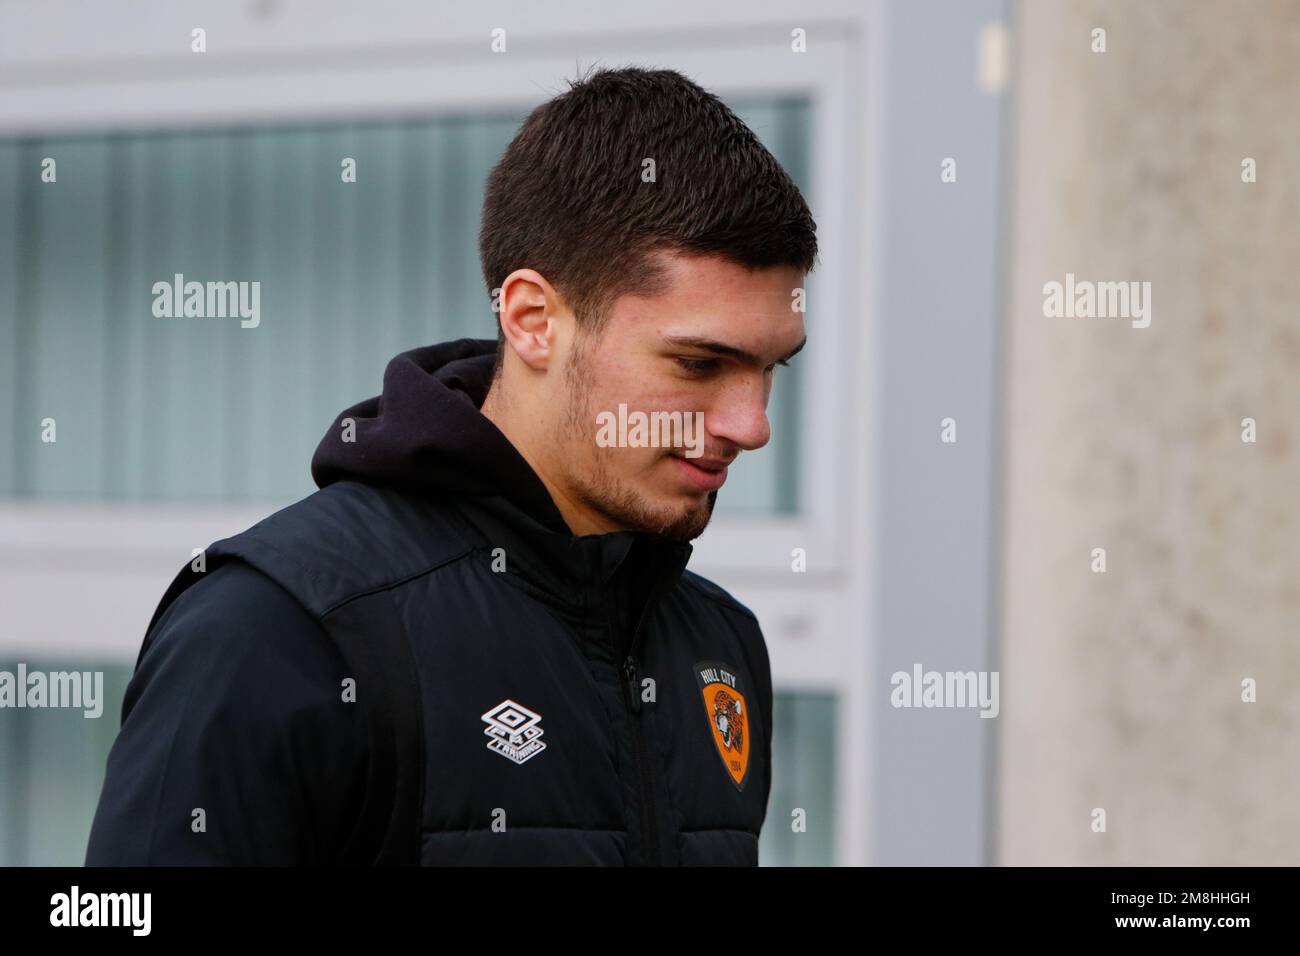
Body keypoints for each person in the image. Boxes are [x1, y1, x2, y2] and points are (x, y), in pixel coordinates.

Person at [85, 65, 817, 866]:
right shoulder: (279, 628)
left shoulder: (719, 643)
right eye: (700, 364)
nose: (751, 426)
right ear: (535, 319)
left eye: (769, 370)